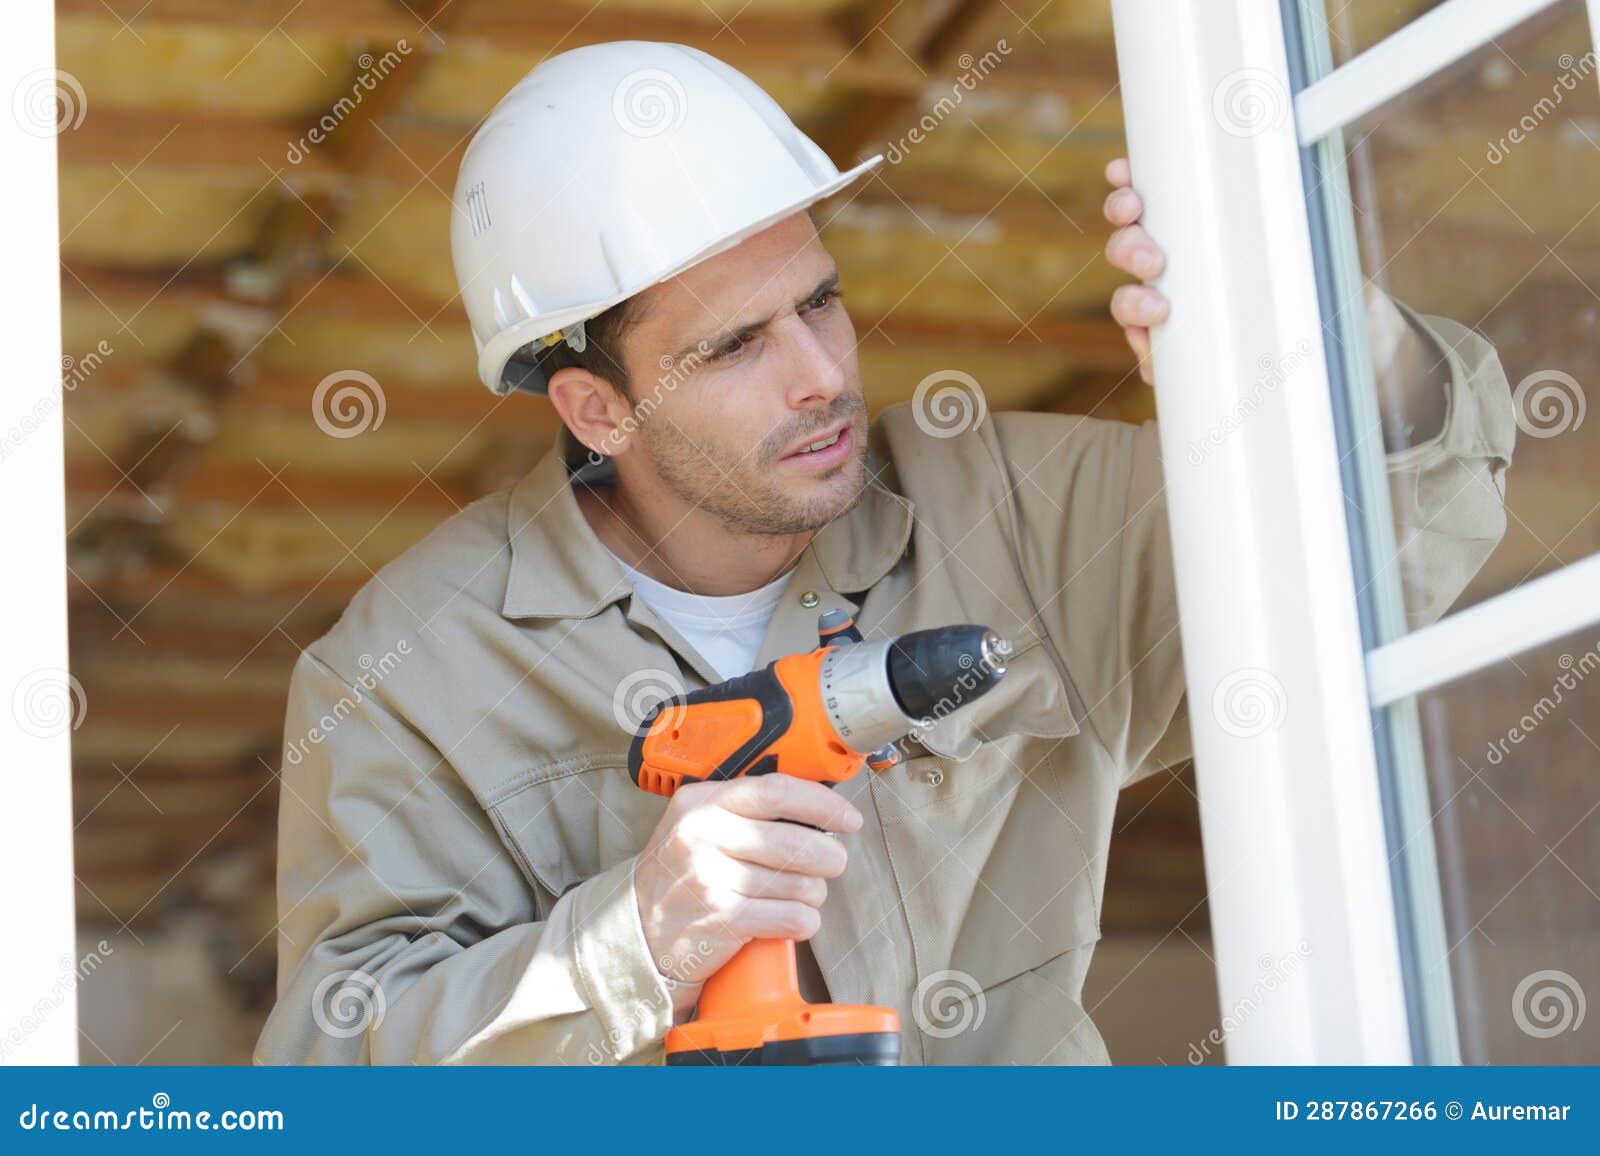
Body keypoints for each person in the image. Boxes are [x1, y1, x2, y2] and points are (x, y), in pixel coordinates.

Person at [256, 41, 1513, 1064]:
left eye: (818, 301)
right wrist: (631, 940)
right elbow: (328, 1069)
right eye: (735, 346)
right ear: (596, 409)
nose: (820, 377)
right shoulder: (409, 672)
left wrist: (1321, 337)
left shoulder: (1014, 515)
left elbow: (1394, 550)